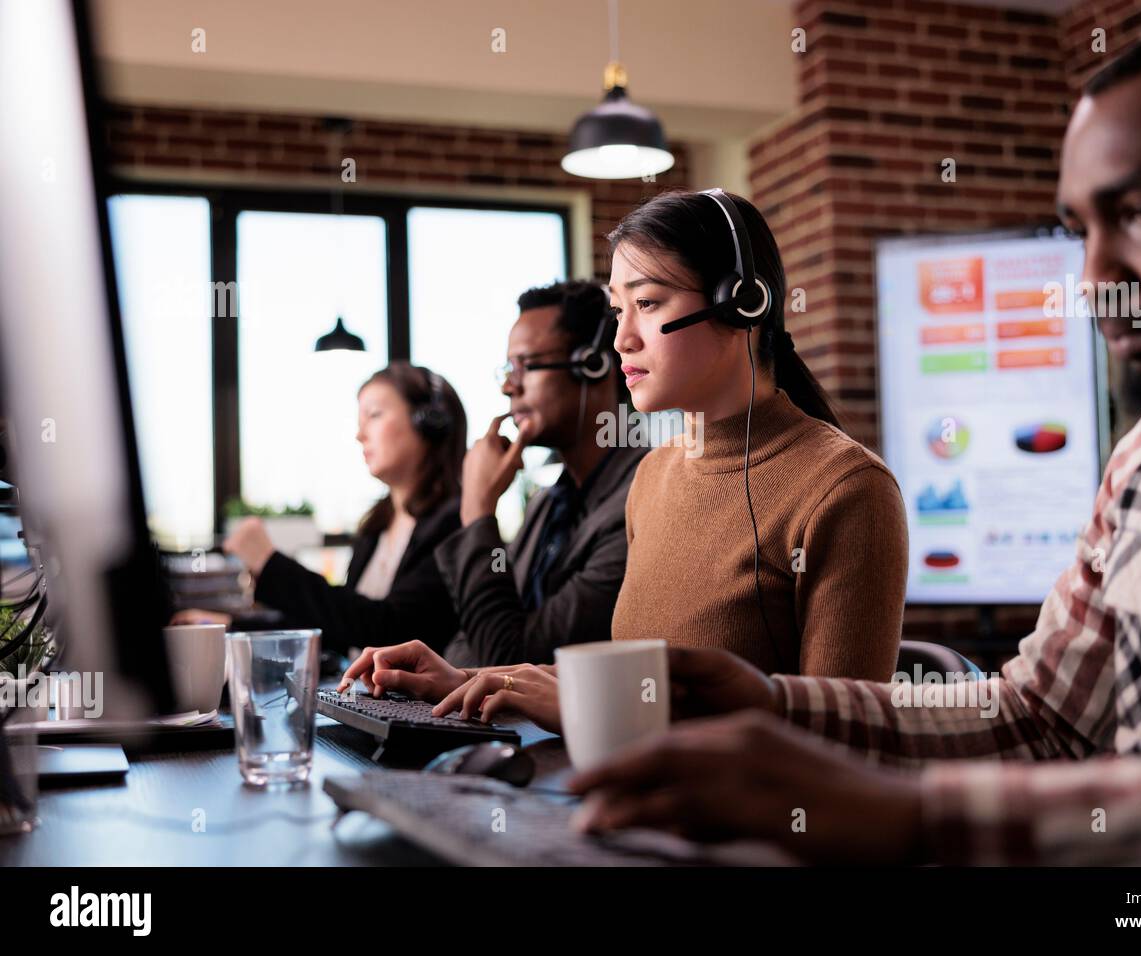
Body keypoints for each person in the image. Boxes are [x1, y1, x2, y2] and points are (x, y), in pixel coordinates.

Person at [559, 5, 1141, 865]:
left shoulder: (841, 485)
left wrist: (911, 817)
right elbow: (1042, 715)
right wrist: (773, 705)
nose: (1094, 281)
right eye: (1077, 233)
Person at [342, 191, 910, 711]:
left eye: (649, 303)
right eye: (619, 310)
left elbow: (842, 743)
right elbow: (639, 690)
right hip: (624, 797)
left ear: (742, 304)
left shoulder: (847, 489)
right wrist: (470, 678)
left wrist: (583, 710)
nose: (621, 339)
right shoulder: (654, 476)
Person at [173, 362, 465, 655]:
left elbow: (389, 628)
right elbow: (339, 628)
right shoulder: (377, 526)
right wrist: (231, 626)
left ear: (430, 421)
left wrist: (270, 564)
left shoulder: (455, 523)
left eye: (374, 415)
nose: (360, 434)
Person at [433, 280, 647, 667]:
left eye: (526, 366)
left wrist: (478, 511)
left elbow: (508, 656)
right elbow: (470, 642)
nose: (507, 387)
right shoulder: (546, 505)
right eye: (508, 369)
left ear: (592, 364)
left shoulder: (642, 499)